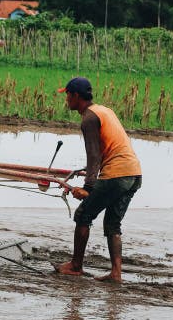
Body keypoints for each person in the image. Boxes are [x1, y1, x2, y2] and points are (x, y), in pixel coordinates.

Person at [55, 77, 142, 283]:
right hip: (134, 173)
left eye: (67, 94)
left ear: (76, 96)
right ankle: (116, 273)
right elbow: (108, 149)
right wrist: (89, 172)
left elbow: (94, 154)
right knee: (113, 223)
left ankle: (76, 266)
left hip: (117, 174)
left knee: (83, 214)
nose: (66, 99)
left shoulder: (89, 119)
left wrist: (88, 187)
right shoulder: (104, 110)